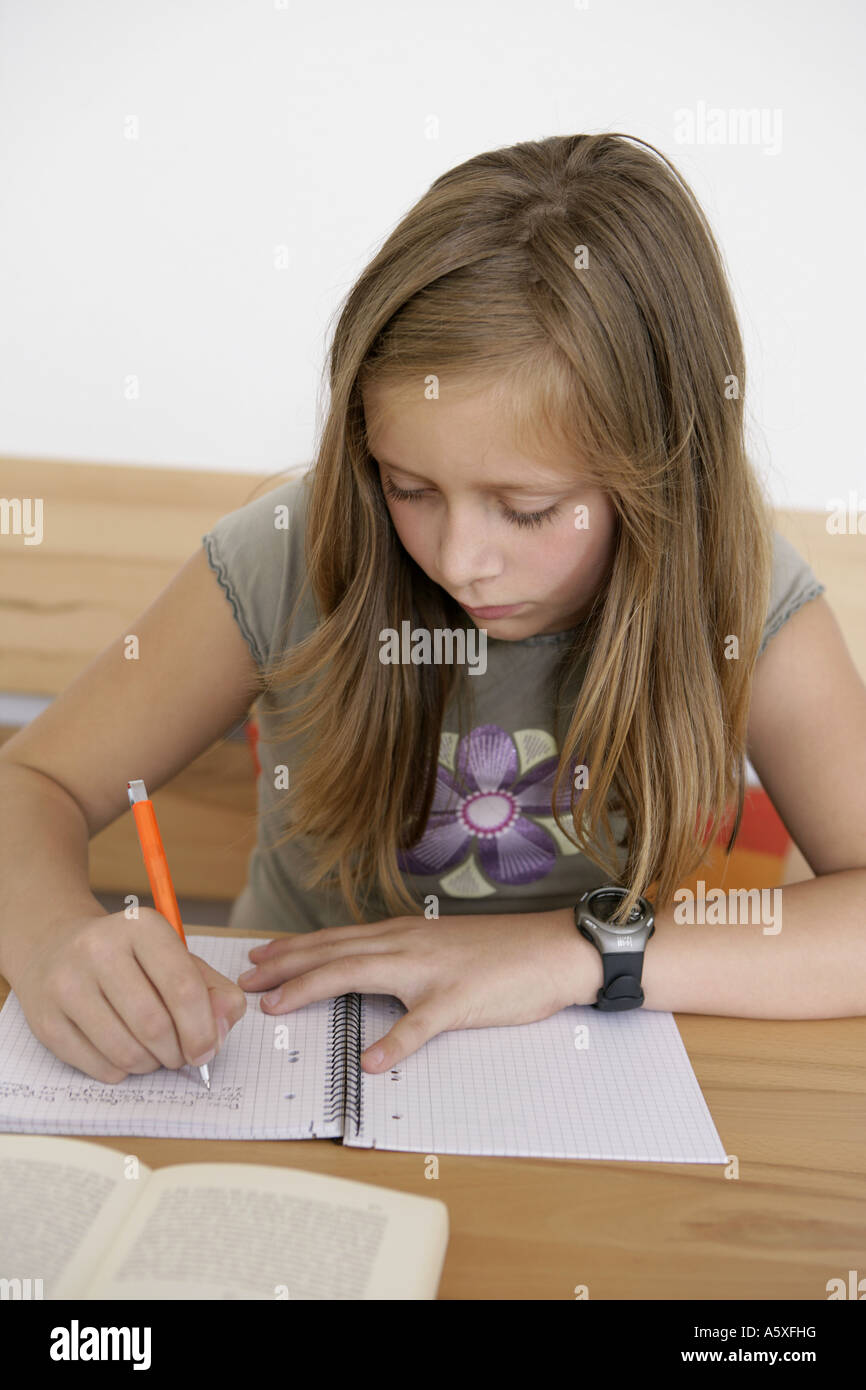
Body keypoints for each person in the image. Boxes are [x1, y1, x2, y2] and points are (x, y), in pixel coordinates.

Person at [1, 133, 863, 1091]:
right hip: (289, 1060)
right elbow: (29, 783)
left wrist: (572, 955)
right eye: (408, 486)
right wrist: (49, 938)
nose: (461, 560)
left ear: (666, 474)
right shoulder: (288, 553)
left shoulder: (735, 596)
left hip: (594, 1075)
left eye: (528, 509)